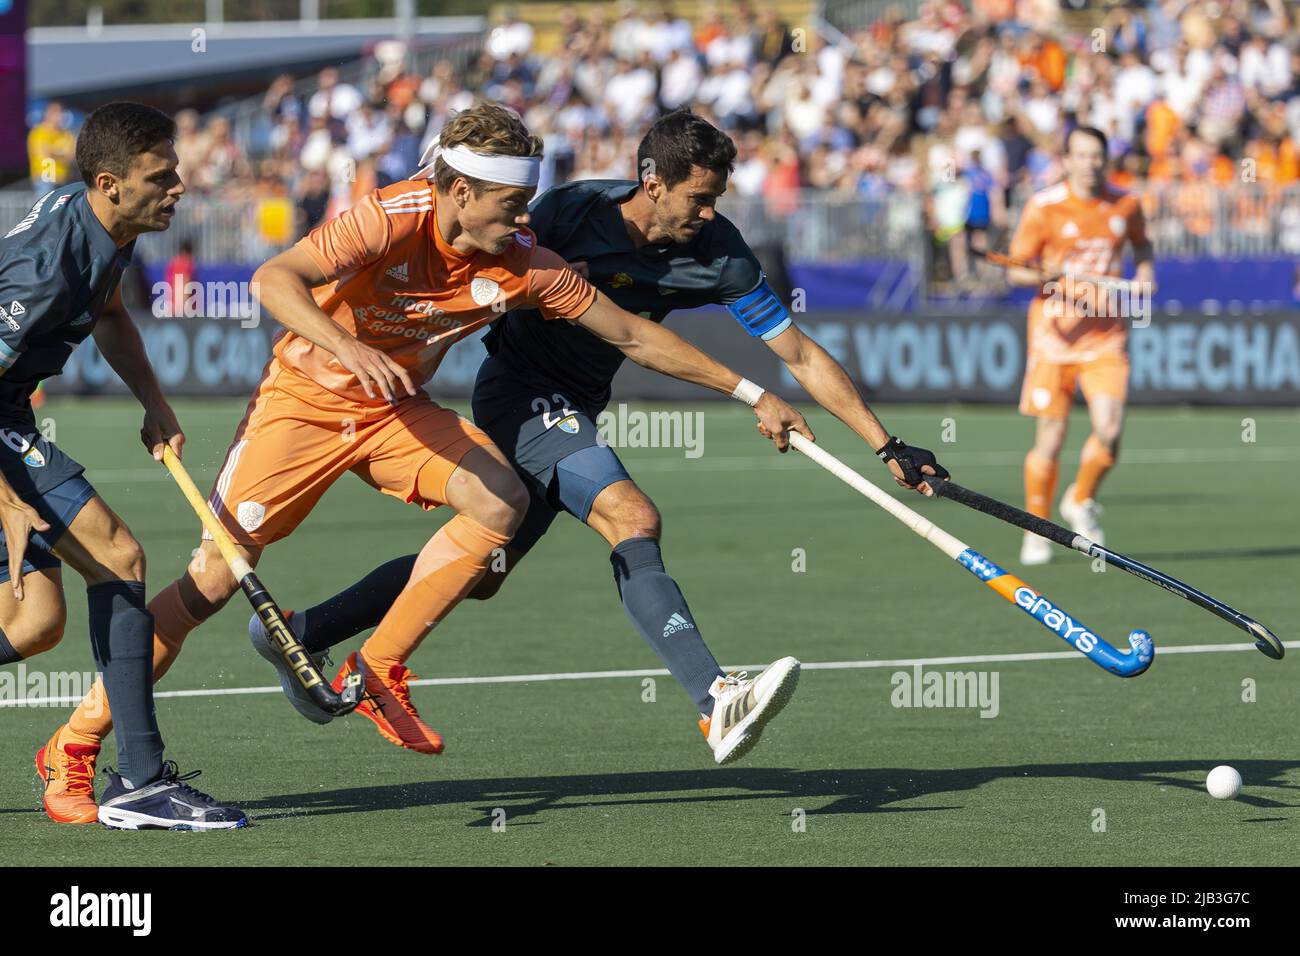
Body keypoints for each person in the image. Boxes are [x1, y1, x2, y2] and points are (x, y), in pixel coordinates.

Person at [47, 103, 811, 819]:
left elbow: (634, 336)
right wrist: (346, 345)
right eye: (510, 206)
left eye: (527, 205)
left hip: (393, 413)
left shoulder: (525, 262)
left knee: (500, 500)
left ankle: (379, 669)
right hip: (302, 407)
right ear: (454, 190)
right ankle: (75, 745)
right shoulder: (390, 216)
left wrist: (748, 391)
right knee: (209, 585)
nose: (524, 221)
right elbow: (273, 279)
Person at [271, 109, 949, 765]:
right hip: (521, 390)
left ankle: (305, 630)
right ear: (652, 182)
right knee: (632, 515)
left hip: (579, 403)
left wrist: (885, 445)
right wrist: (747, 392)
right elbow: (483, 274)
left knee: (481, 574)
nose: (709, 213)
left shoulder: (719, 253)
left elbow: (797, 354)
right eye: (699, 197)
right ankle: (717, 699)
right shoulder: (567, 213)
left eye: (718, 198)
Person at [4, 102, 245, 829]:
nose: (177, 188)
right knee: (119, 557)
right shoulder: (44, 267)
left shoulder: (109, 227)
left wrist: (154, 401)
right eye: (160, 177)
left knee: (36, 622)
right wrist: (8, 502)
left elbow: (109, 312)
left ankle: (135, 777)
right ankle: (141, 780)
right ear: (109, 182)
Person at [1006, 126, 1155, 564]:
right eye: (1081, 155)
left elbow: (1143, 246)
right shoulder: (1043, 206)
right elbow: (1015, 270)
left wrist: (1144, 276)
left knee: (1109, 432)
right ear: (1066, 159)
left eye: (1097, 156)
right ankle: (1036, 527)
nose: (1090, 163)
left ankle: (1080, 498)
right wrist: (1044, 275)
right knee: (1050, 438)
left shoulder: (1125, 203)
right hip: (1054, 338)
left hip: (1106, 335)